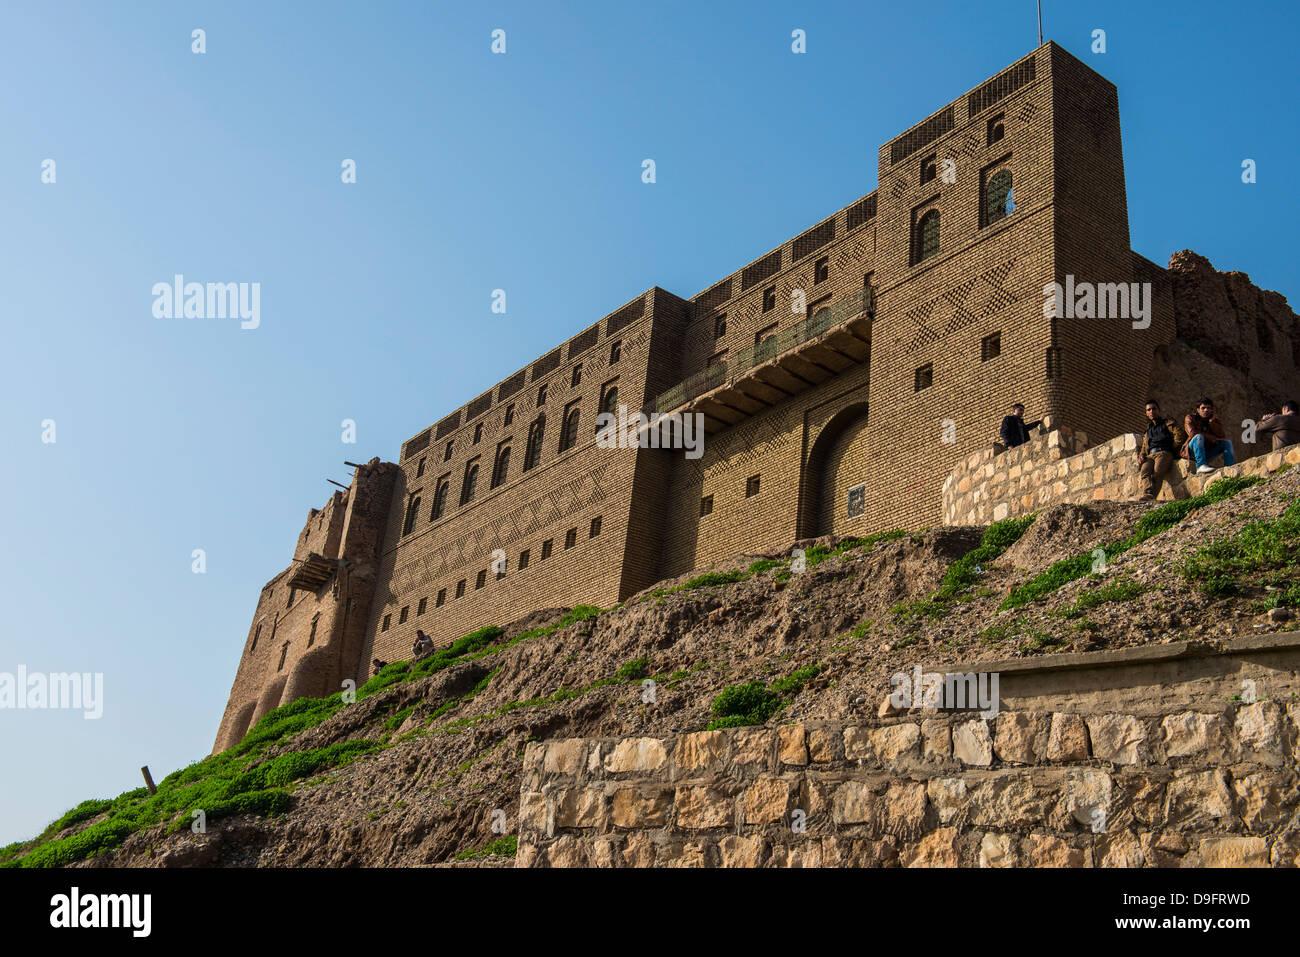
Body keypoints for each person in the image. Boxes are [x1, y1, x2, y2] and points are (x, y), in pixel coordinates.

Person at [1137, 399, 1185, 500]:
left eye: (1154, 409)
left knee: (1157, 473)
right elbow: (1144, 446)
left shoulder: (1168, 423)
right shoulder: (1148, 430)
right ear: (1146, 413)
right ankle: (1148, 493)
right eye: (1149, 410)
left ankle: (1151, 498)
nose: (1151, 411)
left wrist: (1170, 448)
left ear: (1158, 410)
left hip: (1164, 453)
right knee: (1145, 471)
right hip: (1150, 455)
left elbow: (1179, 435)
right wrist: (1141, 455)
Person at [1183, 396, 1234, 473]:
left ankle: (1230, 468)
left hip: (1206, 452)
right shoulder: (1190, 418)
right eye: (1203, 408)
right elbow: (1193, 433)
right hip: (1192, 452)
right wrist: (1212, 438)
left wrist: (1212, 422)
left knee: (1227, 443)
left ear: (1212, 410)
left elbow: (1222, 436)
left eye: (1209, 408)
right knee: (1198, 437)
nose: (1206, 410)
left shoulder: (1213, 421)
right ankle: (1200, 466)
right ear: (1198, 410)